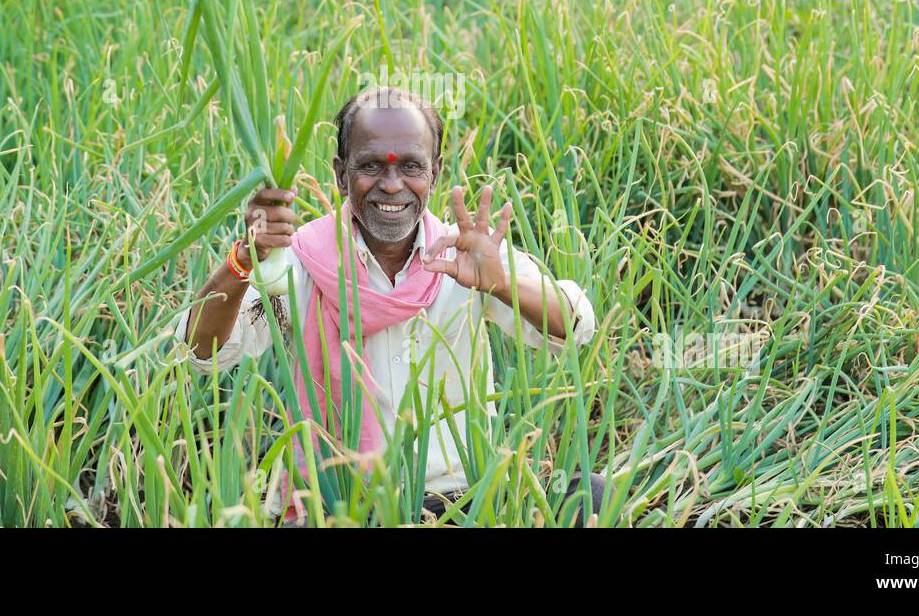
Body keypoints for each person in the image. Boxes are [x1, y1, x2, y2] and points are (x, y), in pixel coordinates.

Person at [176, 86, 609, 525]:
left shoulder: (465, 255)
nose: (392, 184)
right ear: (341, 174)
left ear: (435, 172)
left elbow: (575, 325)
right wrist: (242, 260)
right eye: (370, 166)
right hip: (339, 505)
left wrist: (501, 285)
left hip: (459, 500)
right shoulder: (299, 261)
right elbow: (203, 352)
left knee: (592, 496)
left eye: (411, 166)